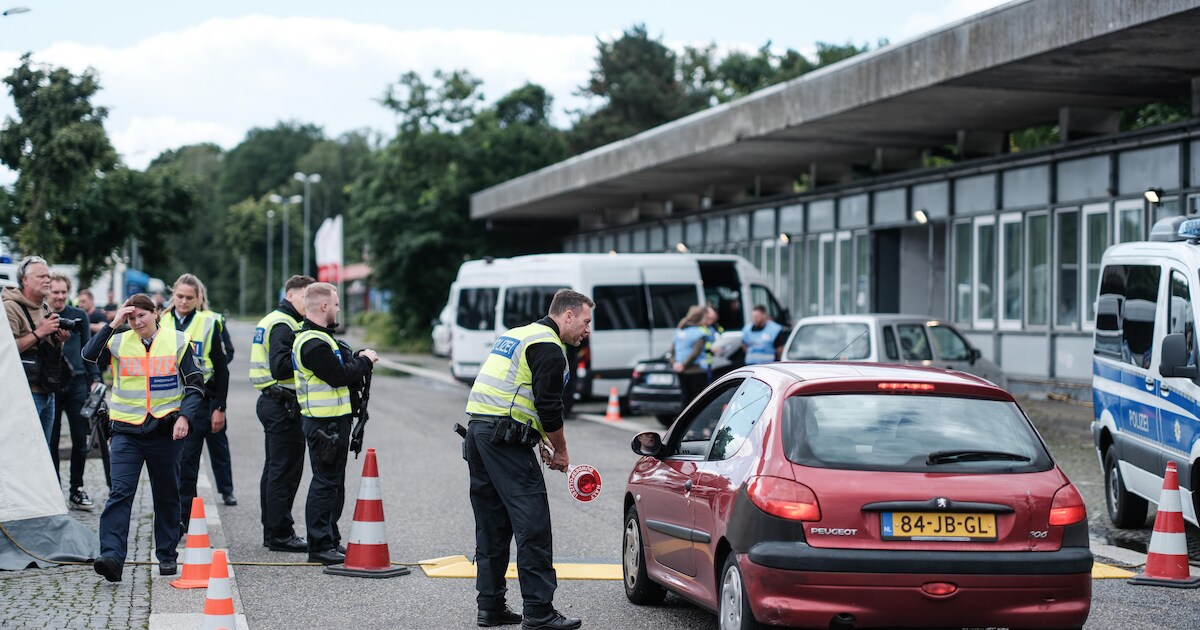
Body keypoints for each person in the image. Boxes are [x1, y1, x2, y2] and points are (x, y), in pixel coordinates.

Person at [463, 288, 592, 630]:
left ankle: (490, 606)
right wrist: (561, 450)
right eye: (585, 321)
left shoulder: (516, 335)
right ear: (567, 316)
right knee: (532, 524)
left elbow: (513, 396)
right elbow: (549, 407)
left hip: (480, 433)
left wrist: (537, 441)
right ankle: (539, 612)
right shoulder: (550, 347)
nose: (587, 330)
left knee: (492, 525)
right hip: (504, 440)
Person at [83, 293, 205, 581]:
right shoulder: (118, 340)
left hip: (165, 431)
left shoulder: (177, 340)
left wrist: (185, 417)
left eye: (141, 315)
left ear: (156, 313)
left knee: (166, 494)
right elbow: (88, 355)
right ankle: (111, 556)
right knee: (120, 493)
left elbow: (196, 385)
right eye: (131, 317)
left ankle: (166, 554)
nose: (136, 322)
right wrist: (113, 323)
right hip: (126, 430)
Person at [292, 282, 378, 565]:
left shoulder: (322, 338)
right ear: (324, 306)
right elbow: (339, 375)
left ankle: (330, 539)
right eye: (337, 304)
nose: (339, 309)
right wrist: (364, 361)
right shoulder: (312, 342)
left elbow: (340, 367)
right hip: (322, 423)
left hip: (332, 421)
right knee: (325, 483)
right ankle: (319, 545)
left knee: (334, 483)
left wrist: (357, 358)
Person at [160, 274, 234, 536]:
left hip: (199, 399)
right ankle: (168, 515)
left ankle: (183, 521)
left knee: (188, 461)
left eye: (189, 297)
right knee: (169, 463)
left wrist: (219, 407)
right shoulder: (160, 320)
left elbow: (223, 369)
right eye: (179, 296)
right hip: (165, 401)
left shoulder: (209, 323)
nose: (183, 301)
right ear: (173, 295)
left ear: (198, 298)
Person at [250, 274, 315, 553]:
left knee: (275, 470)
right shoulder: (283, 323)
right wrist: (311, 358)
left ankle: (273, 529)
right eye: (306, 297)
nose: (310, 303)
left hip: (274, 402)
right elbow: (279, 366)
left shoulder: (276, 319)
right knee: (284, 471)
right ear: (291, 295)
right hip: (282, 403)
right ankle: (280, 533)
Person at [48, 273, 103, 510]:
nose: (60, 296)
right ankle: (52, 491)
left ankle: (76, 489)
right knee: (50, 440)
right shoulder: (42, 316)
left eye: (63, 292)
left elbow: (88, 351)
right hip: (49, 384)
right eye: (55, 292)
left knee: (80, 439)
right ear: (48, 292)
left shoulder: (78, 316)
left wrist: (95, 379)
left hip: (78, 383)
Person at [3, 255, 69, 446]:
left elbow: (46, 345)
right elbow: (7, 349)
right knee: (24, 449)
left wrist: (59, 340)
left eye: (48, 276)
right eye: (41, 276)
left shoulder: (45, 306)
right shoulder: (10, 307)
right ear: (24, 280)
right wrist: (40, 332)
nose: (47, 280)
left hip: (47, 388)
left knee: (43, 451)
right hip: (24, 392)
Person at [673, 305, 711, 407]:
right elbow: (696, 352)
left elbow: (672, 351)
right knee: (699, 402)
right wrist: (684, 365)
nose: (708, 321)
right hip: (696, 371)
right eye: (706, 318)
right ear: (700, 318)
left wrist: (676, 364)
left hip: (681, 370)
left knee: (685, 399)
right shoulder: (700, 332)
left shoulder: (680, 330)